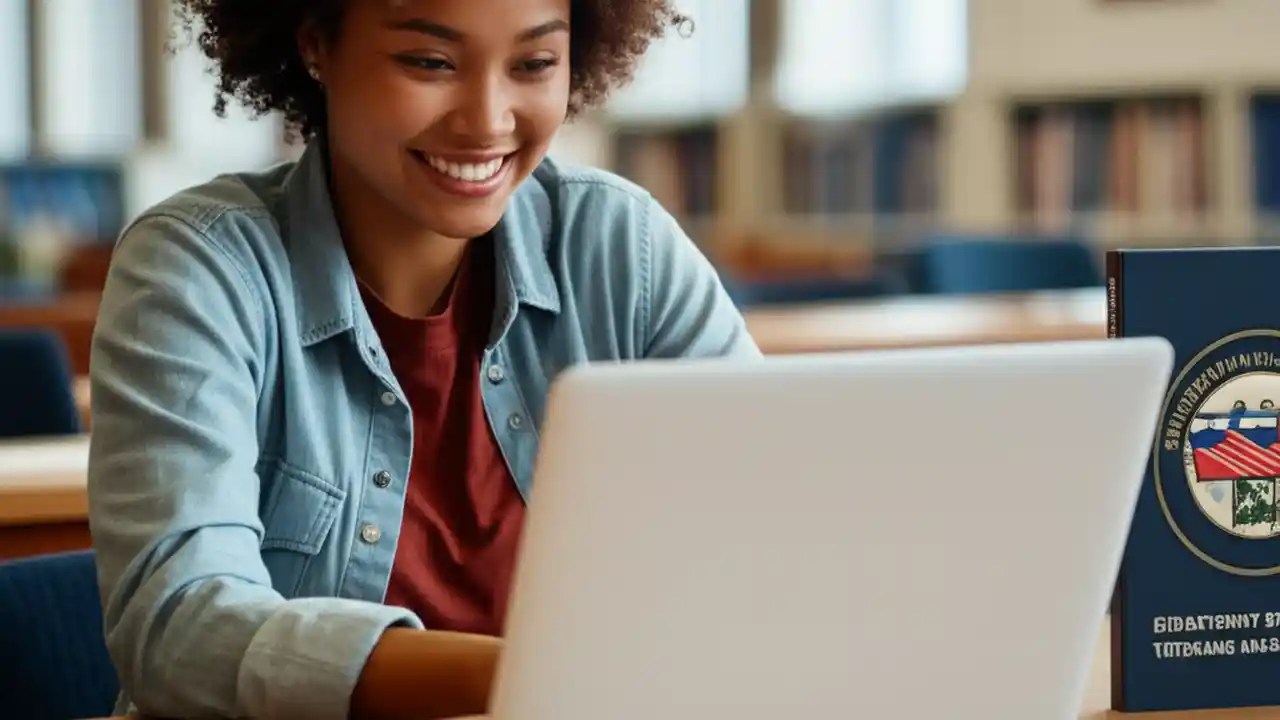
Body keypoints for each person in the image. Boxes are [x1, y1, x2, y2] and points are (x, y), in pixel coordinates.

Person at [86, 1, 759, 719]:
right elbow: (180, 628)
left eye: (533, 65)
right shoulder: (197, 267)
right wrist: (529, 678)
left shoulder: (622, 249)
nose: (487, 120)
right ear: (317, 45)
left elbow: (778, 527)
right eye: (431, 63)